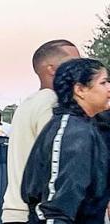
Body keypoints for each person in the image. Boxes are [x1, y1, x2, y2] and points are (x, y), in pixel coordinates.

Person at [22, 58, 110, 223]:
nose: (109, 89)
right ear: (80, 89)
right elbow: (55, 210)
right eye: (103, 83)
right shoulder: (73, 132)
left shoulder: (85, 127)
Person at [1, 39, 80, 224]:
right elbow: (59, 162)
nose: (81, 67)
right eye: (74, 62)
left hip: (17, 211)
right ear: (52, 69)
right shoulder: (52, 104)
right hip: (39, 214)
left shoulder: (29, 103)